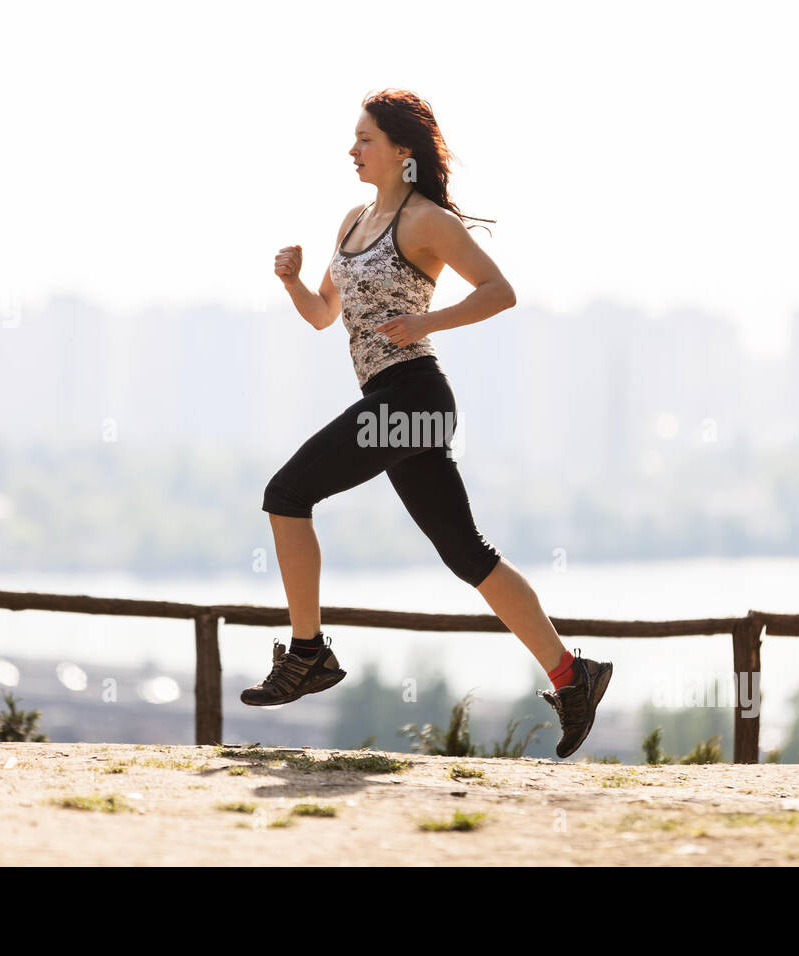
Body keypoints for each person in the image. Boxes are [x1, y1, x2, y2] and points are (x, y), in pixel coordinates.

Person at [243, 89, 612, 759]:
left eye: (364, 139)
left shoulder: (426, 220)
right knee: (465, 551)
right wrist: (293, 281)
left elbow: (500, 291)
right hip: (393, 400)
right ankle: (572, 674)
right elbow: (325, 315)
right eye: (354, 139)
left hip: (412, 398)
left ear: (400, 151)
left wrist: (426, 322)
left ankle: (308, 653)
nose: (351, 150)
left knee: (287, 494)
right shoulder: (353, 221)